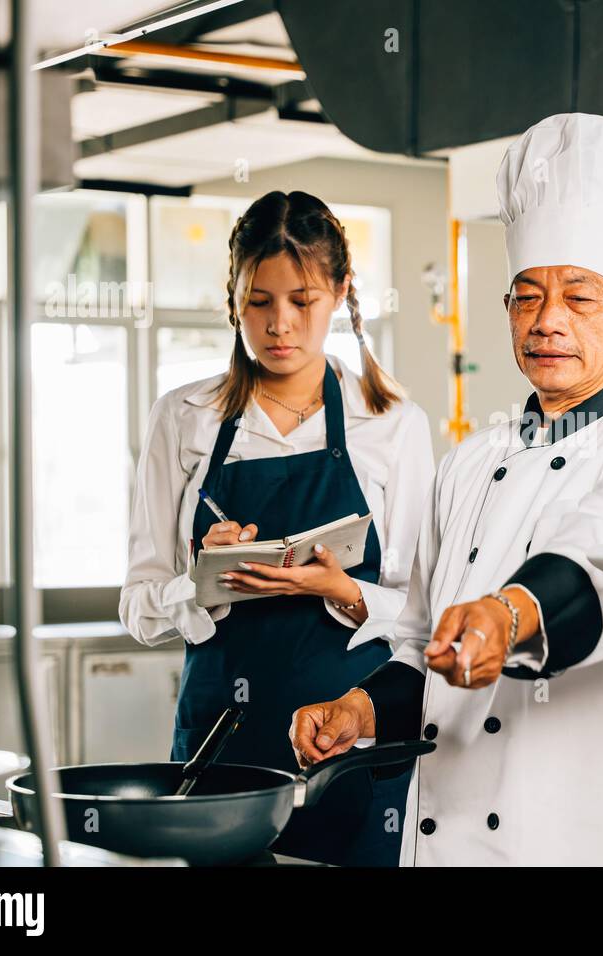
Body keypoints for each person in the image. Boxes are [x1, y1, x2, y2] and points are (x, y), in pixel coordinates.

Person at [291, 113, 603, 865]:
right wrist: (360, 707)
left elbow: (598, 556)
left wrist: (503, 614)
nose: (547, 321)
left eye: (579, 299)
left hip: (593, 845)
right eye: (527, 297)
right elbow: (421, 638)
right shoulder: (467, 463)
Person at [120, 190, 434, 865]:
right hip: (221, 747)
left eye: (303, 301)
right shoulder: (184, 418)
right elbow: (139, 608)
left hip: (346, 749)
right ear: (233, 300)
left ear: (341, 291)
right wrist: (203, 583)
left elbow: (419, 613)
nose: (279, 325)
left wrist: (340, 591)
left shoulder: (392, 423)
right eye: (259, 302)